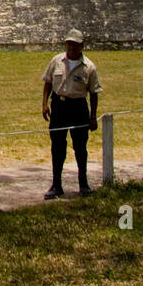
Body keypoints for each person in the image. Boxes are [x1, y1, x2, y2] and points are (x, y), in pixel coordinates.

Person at [41, 28, 101, 199]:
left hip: (78, 107)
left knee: (80, 147)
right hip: (59, 106)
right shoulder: (56, 61)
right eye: (69, 44)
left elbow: (94, 92)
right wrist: (44, 104)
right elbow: (47, 82)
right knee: (57, 147)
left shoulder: (89, 67)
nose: (72, 48)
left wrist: (93, 116)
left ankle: (83, 183)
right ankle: (56, 185)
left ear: (82, 46)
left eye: (75, 45)